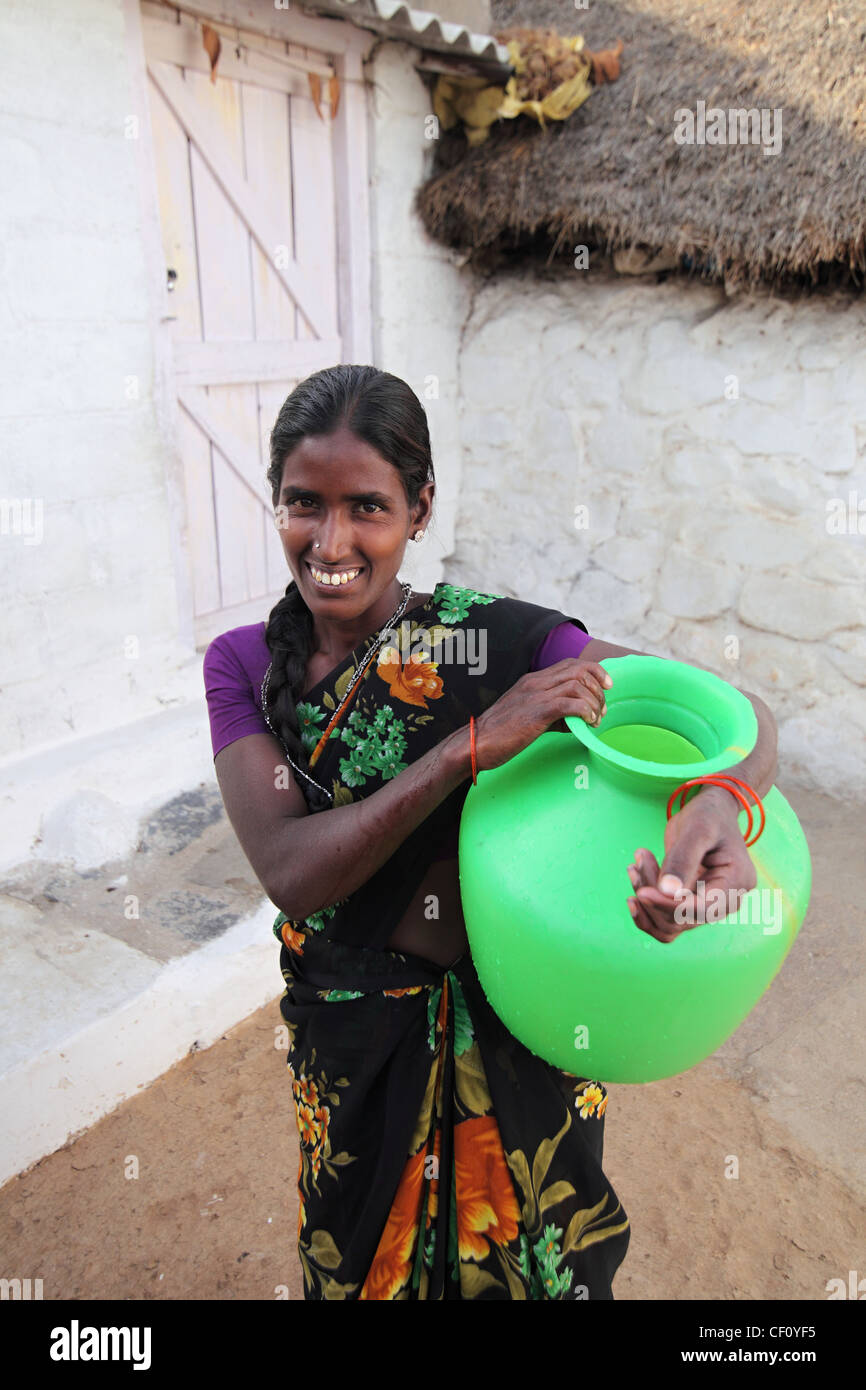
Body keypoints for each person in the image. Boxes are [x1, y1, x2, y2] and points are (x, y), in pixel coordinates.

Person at [203, 364, 778, 1300]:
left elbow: (732, 710)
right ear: (275, 502)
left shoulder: (485, 641)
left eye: (369, 507)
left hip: (516, 1028)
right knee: (356, 1257)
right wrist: (465, 749)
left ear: (420, 509)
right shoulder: (243, 669)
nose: (332, 541)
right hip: (350, 1037)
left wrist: (716, 802)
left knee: (546, 1261)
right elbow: (291, 872)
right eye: (304, 503)